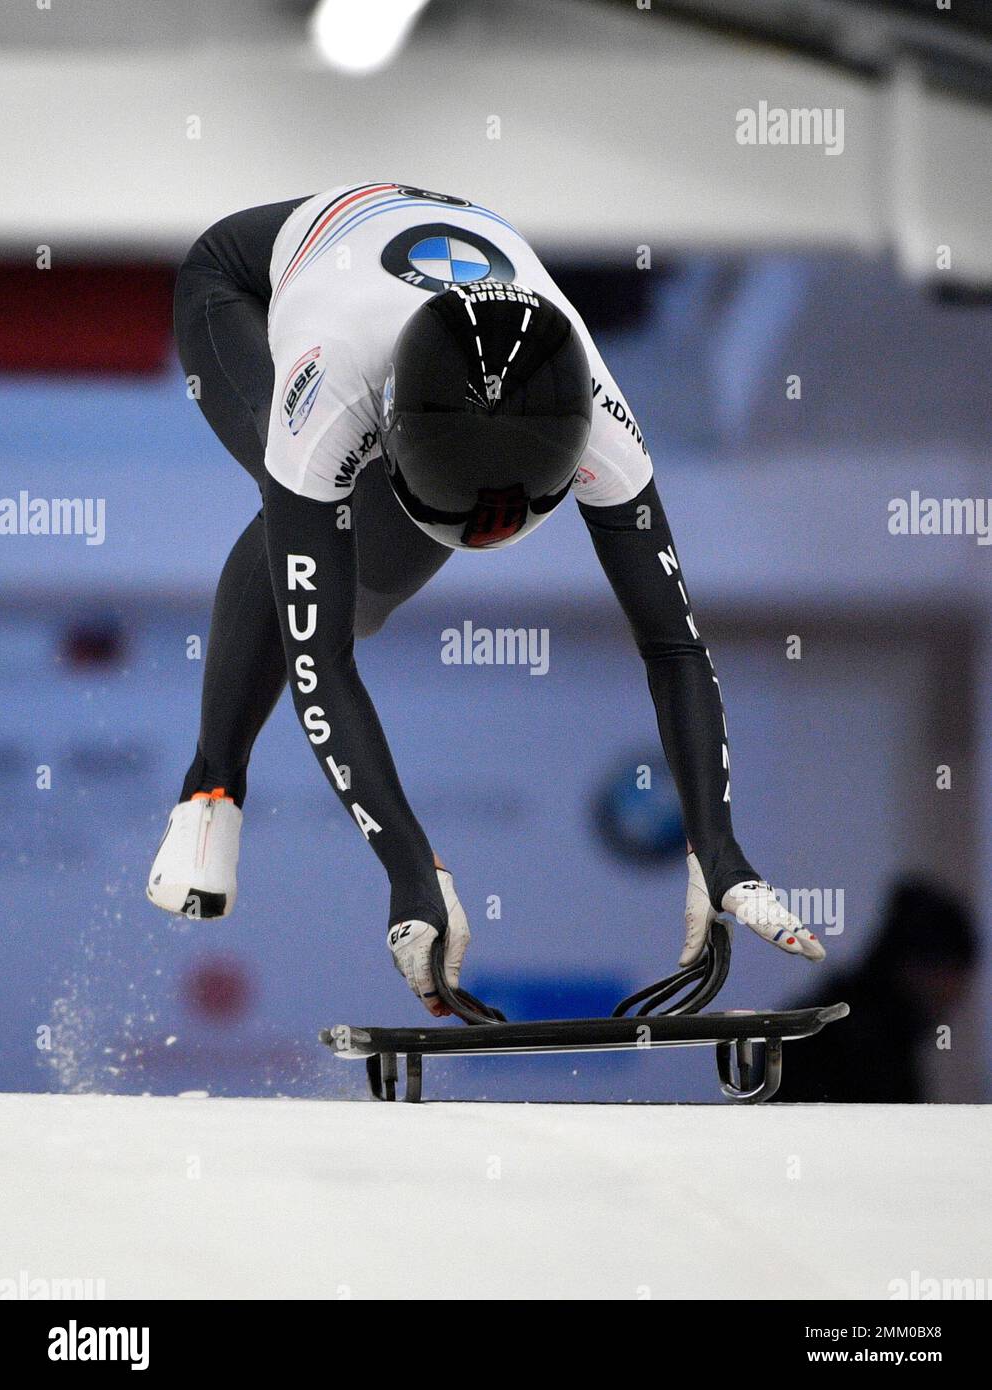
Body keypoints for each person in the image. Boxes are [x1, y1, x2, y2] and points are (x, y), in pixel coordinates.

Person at [146, 181, 825, 1016]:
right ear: (391, 430)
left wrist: (718, 849)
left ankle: (223, 766)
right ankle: (211, 789)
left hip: (405, 285)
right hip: (243, 284)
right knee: (311, 534)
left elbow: (675, 646)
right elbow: (320, 663)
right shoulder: (326, 394)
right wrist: (410, 872)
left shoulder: (602, 418)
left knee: (365, 587)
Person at [770, 877, 978, 1102]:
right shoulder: (867, 1045)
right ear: (919, 967)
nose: (955, 996)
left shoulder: (838, 1022)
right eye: (951, 977)